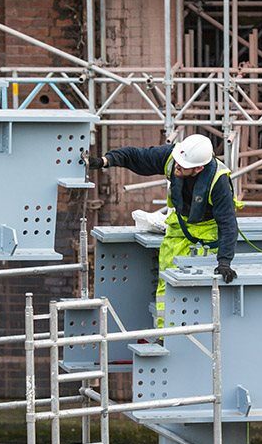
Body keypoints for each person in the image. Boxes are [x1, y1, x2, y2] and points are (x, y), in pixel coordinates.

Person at [85, 134, 240, 327]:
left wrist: (224, 261)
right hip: (180, 224)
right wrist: (104, 161)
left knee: (197, 285)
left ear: (199, 168)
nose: (176, 167)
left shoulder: (218, 182)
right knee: (167, 280)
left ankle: (193, 334)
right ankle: (163, 334)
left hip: (209, 230)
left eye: (182, 166)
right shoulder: (173, 157)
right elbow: (137, 157)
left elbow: (228, 224)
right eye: (177, 162)